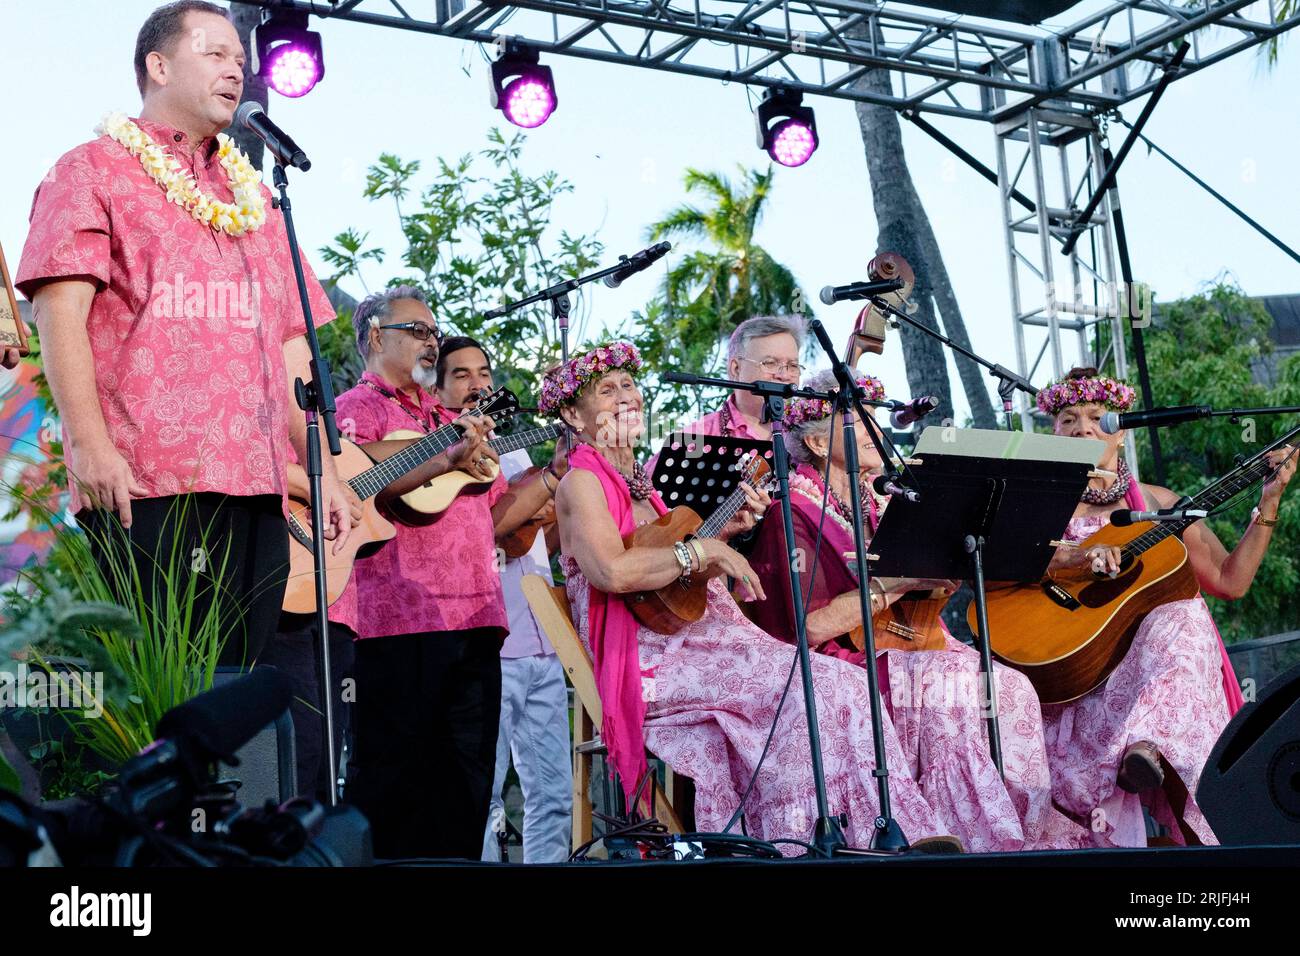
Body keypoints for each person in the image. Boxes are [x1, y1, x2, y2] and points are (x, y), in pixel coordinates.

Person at [14, 1, 352, 665]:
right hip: (147, 478)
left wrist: (326, 469)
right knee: (165, 692)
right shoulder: (91, 169)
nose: (236, 71)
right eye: (216, 53)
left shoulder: (255, 196)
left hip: (257, 485)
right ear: (159, 65)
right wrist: (88, 442)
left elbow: (290, 345)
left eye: (240, 60)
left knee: (234, 691)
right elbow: (60, 315)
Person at [550, 341, 956, 851]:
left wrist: (725, 532)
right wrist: (701, 554)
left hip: (696, 640)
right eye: (606, 390)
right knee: (813, 690)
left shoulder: (639, 483)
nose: (624, 396)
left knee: (837, 681)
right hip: (652, 659)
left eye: (628, 384)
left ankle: (875, 833)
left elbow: (671, 585)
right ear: (571, 412)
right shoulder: (582, 483)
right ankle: (797, 843)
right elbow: (613, 571)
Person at [746, 369, 1086, 852]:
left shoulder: (877, 502)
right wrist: (899, 582)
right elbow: (810, 627)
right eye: (857, 419)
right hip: (837, 664)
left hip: (908, 643)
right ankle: (964, 839)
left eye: (873, 418)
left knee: (1009, 685)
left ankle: (1020, 833)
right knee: (951, 686)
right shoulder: (793, 513)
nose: (876, 430)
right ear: (820, 444)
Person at [336, 288, 552, 859]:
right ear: (377, 337)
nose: (432, 341)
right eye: (419, 331)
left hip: (479, 613)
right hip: (396, 619)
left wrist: (554, 475)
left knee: (467, 778)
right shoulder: (358, 408)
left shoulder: (453, 419)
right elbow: (359, 478)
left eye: (435, 332)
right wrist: (442, 457)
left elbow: (498, 515)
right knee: (392, 777)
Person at [1038, 367, 1294, 846]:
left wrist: (1269, 501)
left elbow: (1229, 581)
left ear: (1120, 430)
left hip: (1155, 666)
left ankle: (1150, 750)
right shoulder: (1035, 509)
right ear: (1052, 433)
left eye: (1096, 417)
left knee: (1184, 613)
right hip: (1075, 675)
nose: (1083, 429)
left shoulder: (1158, 503)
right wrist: (1071, 560)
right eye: (1068, 420)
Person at [431, 336, 574, 863]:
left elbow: (535, 541)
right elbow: (493, 529)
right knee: (483, 794)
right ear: (439, 387)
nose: (478, 384)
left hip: (543, 639)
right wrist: (547, 487)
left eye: (484, 373)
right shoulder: (440, 451)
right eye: (462, 375)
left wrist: (552, 509)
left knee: (554, 795)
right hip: (489, 640)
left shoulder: (513, 448)